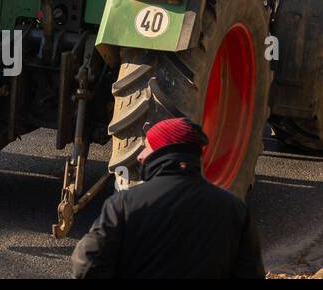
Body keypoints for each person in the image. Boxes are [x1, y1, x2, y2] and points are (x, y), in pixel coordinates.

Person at [71, 117, 265, 279]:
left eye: (147, 147)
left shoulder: (125, 204)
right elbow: (250, 273)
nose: (140, 155)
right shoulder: (233, 208)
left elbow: (86, 265)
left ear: (162, 153)